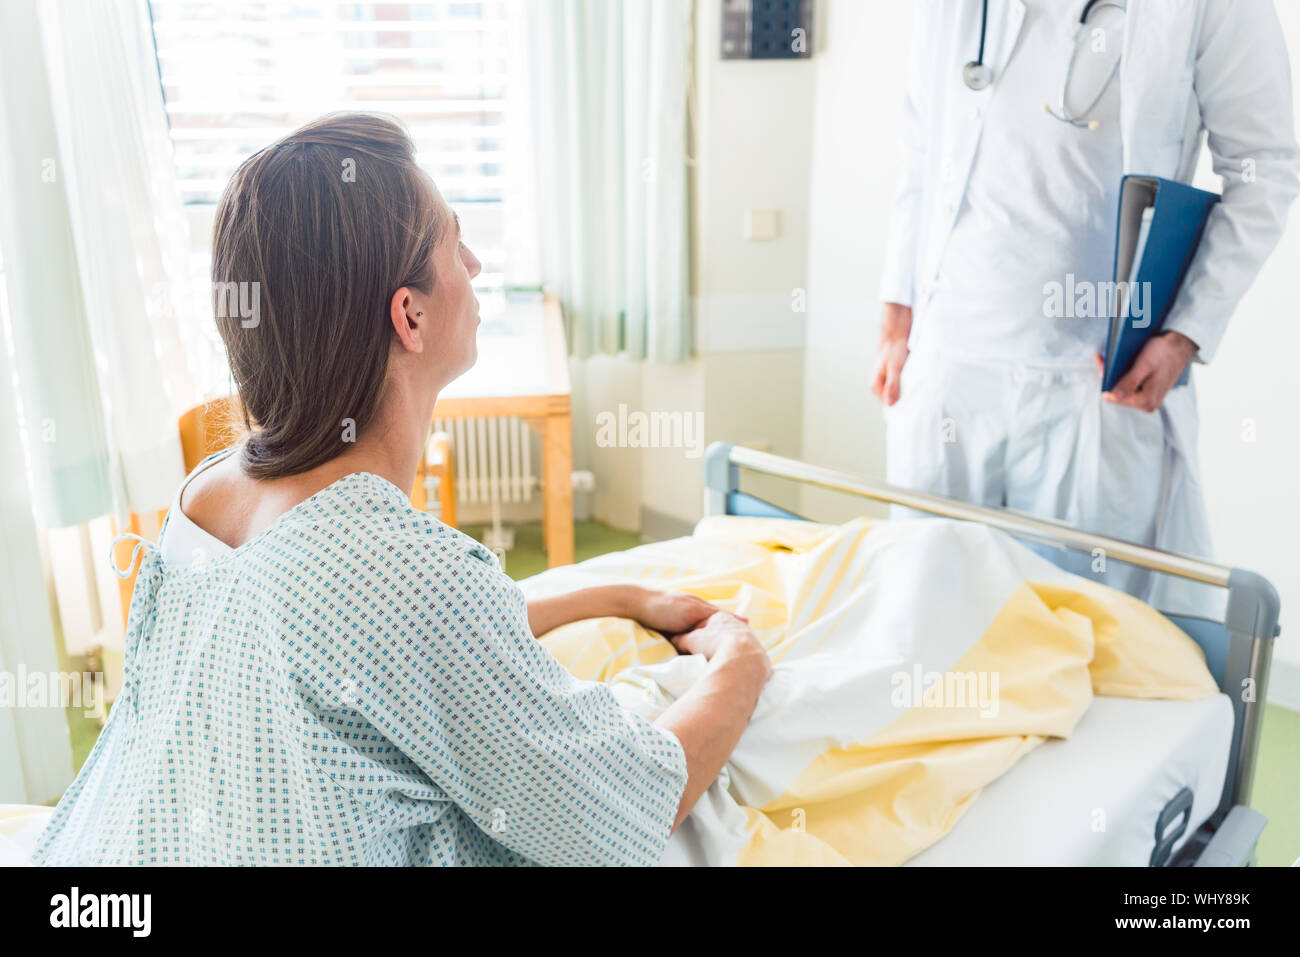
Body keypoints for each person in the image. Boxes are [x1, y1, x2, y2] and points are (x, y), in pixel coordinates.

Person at [34, 113, 771, 866]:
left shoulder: (207, 497)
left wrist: (617, 594)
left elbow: (378, 652)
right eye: (456, 242)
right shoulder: (398, 571)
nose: (477, 264)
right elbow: (624, 809)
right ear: (409, 314)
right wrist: (742, 657)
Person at [873, 0, 1299, 615]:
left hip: (1094, 383)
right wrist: (897, 313)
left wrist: (1184, 333)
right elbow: (921, 139)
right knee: (926, 615)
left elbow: (1264, 169)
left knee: (1084, 637)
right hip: (949, 360)